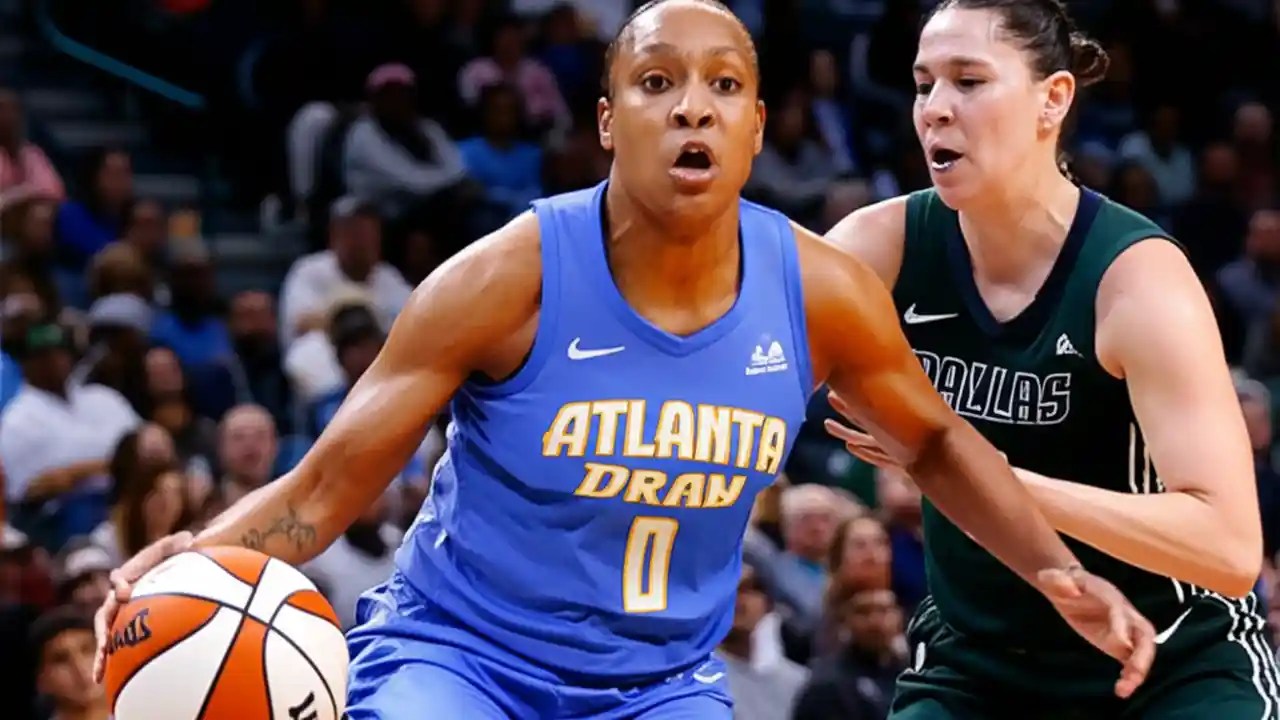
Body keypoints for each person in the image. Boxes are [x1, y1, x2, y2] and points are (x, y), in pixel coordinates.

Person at [94, 1, 1155, 718]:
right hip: (459, 659)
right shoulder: (504, 279)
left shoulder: (819, 291)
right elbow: (324, 487)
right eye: (655, 81)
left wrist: (1055, 573)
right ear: (606, 122)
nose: (691, 104)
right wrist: (189, 564)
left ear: (752, 131)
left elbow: (932, 439)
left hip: (659, 683)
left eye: (724, 86)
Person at [822, 0, 1272, 717]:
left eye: (969, 81)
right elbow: (731, 377)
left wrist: (973, 470)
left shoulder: (1137, 280)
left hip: (1170, 661)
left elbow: (1227, 546)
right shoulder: (876, 247)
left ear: (1052, 99)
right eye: (923, 83)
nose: (935, 109)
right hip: (976, 667)